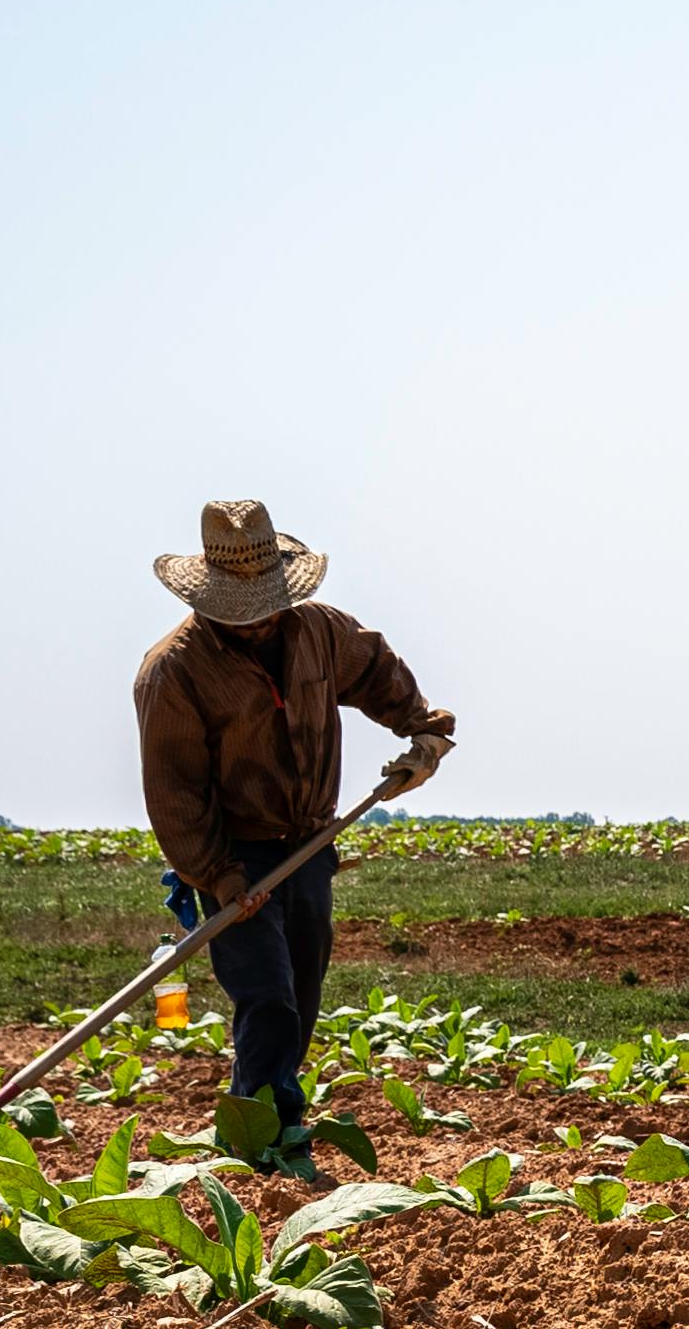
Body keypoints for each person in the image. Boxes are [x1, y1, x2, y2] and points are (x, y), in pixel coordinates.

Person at [133, 500, 456, 1175]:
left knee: (301, 989)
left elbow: (377, 673)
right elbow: (176, 792)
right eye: (242, 610)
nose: (260, 620)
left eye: (268, 604)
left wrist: (422, 732)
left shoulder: (318, 632)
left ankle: (259, 1111)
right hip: (234, 853)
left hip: (309, 842)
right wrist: (219, 875)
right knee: (268, 993)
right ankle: (269, 1129)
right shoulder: (175, 671)